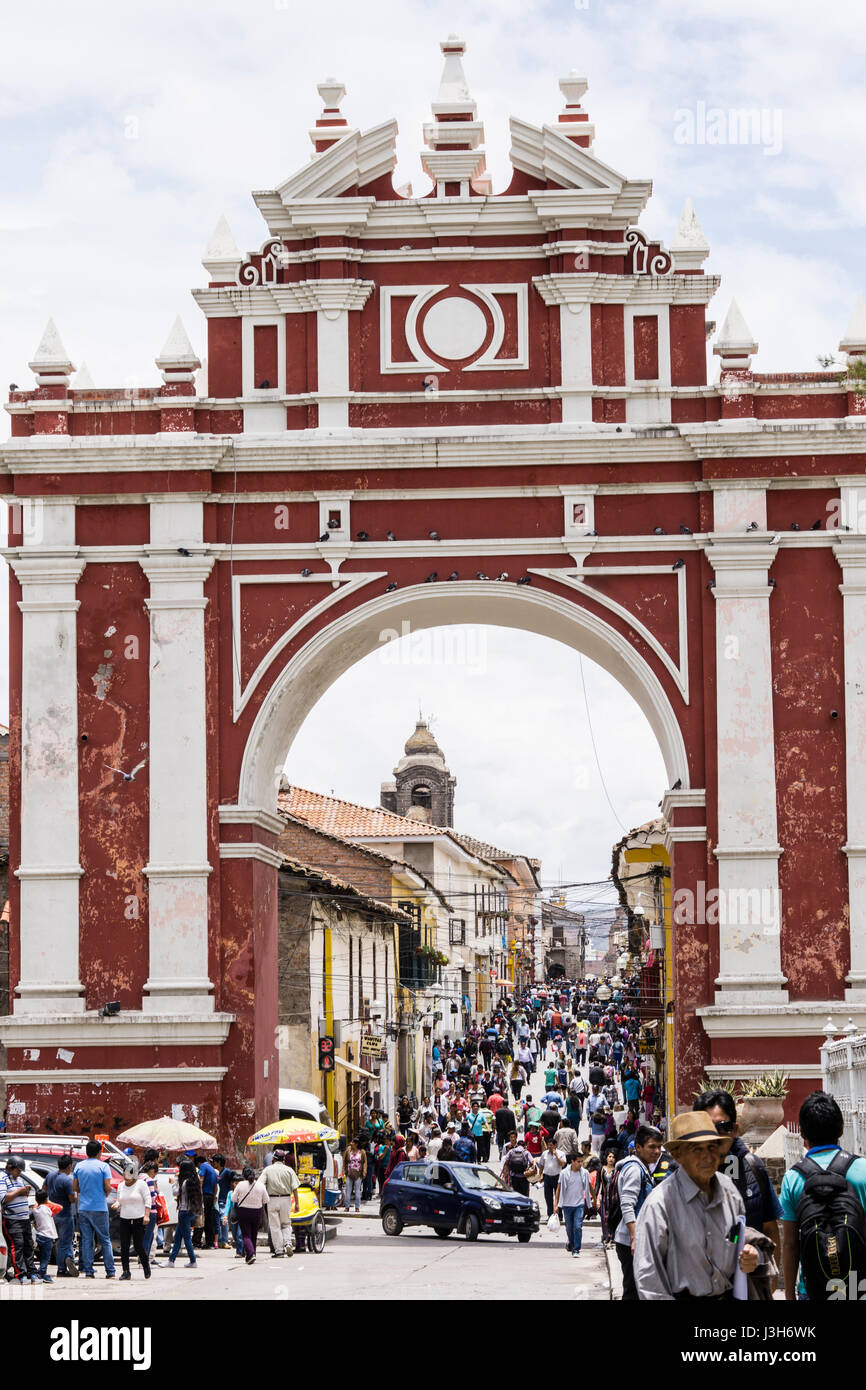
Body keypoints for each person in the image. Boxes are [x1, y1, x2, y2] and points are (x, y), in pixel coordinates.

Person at [633, 1112, 764, 1300]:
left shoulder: (729, 1192)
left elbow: (736, 1238)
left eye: (712, 1147)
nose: (708, 1156)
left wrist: (752, 1255)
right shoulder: (659, 1205)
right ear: (678, 1155)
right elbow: (649, 1281)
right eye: (697, 1149)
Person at [779, 1089, 866, 1301]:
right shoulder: (862, 1169)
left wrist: (790, 1295)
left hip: (812, 1289)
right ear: (842, 1129)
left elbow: (790, 1244)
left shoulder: (793, 1178)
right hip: (858, 1287)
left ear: (802, 1135)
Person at [694, 1089, 782, 1270]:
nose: (715, 1137)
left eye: (722, 1127)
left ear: (734, 1129)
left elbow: (770, 1230)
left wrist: (769, 1279)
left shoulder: (753, 1168)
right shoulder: (680, 1177)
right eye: (707, 1129)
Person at [612, 1124, 663, 1299]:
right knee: (633, 1292)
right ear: (638, 1148)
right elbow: (627, 1204)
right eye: (652, 1147)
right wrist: (635, 1238)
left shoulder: (642, 1167)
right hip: (630, 1242)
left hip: (635, 1240)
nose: (657, 1151)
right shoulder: (635, 1169)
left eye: (659, 1147)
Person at [73, 1139, 116, 1279]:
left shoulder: (79, 1166)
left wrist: (84, 1191)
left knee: (86, 1240)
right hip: (99, 1208)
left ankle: (89, 1271)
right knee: (105, 1240)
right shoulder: (103, 1167)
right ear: (99, 1152)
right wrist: (104, 1194)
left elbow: (75, 1187)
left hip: (83, 1208)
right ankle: (110, 1271)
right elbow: (108, 1187)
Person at [112, 1161, 152, 1280]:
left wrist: (146, 1215)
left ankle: (145, 1266)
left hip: (138, 1219)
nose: (126, 1179)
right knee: (124, 1246)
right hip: (124, 1219)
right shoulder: (121, 1186)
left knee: (138, 1245)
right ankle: (126, 1271)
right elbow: (120, 1199)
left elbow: (148, 1199)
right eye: (125, 1175)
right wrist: (117, 1204)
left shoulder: (141, 1184)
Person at [262, 1149, 300, 1254]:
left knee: (275, 1226)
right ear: (284, 1159)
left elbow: (261, 1185)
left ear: (274, 1158)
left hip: (272, 1200)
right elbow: (295, 1188)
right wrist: (297, 1203)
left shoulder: (268, 1170)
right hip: (286, 1199)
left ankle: (279, 1250)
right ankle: (288, 1243)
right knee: (286, 1224)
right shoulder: (289, 1170)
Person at [554, 1151, 591, 1257]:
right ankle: (571, 1242)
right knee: (569, 1227)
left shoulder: (584, 1173)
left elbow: (589, 1186)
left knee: (578, 1227)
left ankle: (576, 1249)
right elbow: (558, 1189)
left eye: (581, 1162)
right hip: (567, 1205)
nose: (580, 1164)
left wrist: (593, 1200)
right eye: (578, 1162)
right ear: (572, 1161)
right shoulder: (564, 1173)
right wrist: (556, 1205)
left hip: (579, 1204)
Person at [46, 1154, 78, 1278]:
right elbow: (72, 1199)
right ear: (70, 1166)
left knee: (62, 1242)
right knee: (65, 1242)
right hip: (65, 1214)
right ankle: (61, 1269)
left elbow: (43, 1190)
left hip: (53, 1214)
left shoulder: (50, 1176)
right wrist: (75, 1193)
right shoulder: (67, 1180)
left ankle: (70, 1259)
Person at [169, 1160, 203, 1268]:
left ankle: (193, 1260)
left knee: (187, 1238)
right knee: (178, 1237)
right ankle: (171, 1260)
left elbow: (175, 1192)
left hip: (183, 1211)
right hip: (191, 1211)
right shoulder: (195, 1181)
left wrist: (174, 1180)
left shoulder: (183, 1183)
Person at [231, 1165, 267, 1265]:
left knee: (246, 1235)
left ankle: (250, 1253)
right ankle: (252, 1254)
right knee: (254, 1234)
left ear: (243, 1176)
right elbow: (266, 1200)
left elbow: (233, 1199)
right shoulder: (260, 1185)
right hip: (257, 1212)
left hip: (243, 1212)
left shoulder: (240, 1184)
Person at [32, 1189, 57, 1283]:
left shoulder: (35, 1210)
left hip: (40, 1235)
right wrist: (48, 1201)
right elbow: (56, 1207)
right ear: (46, 1199)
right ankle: (41, 1274)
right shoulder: (47, 1209)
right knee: (46, 1258)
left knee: (42, 1256)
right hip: (48, 1236)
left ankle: (41, 1272)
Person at [540, 1137, 566, 1218]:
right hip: (547, 1177)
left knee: (558, 1197)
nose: (549, 1147)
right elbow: (542, 1165)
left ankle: (560, 1215)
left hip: (557, 1177)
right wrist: (540, 1175)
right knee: (548, 1197)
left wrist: (557, 1156)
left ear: (555, 1145)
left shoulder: (561, 1153)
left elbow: (563, 1164)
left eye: (551, 1145)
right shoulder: (544, 1154)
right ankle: (550, 1215)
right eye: (548, 1145)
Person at [343, 1139, 367, 1213]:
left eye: (353, 1142)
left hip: (358, 1174)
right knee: (348, 1191)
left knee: (357, 1191)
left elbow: (365, 1162)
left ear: (356, 1144)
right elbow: (345, 1161)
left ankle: (357, 1207)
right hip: (349, 1173)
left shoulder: (362, 1152)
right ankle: (347, 1207)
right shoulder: (348, 1151)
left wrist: (364, 1172)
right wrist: (344, 1171)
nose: (351, 1143)